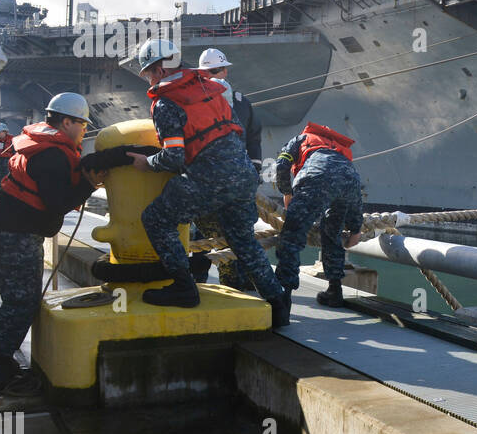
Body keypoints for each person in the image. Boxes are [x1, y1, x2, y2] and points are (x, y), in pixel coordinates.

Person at [129, 38, 290, 327]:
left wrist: (147, 163)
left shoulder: (165, 102)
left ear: (161, 70)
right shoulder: (211, 88)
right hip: (243, 174)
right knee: (243, 238)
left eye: (150, 73)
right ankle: (278, 304)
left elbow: (174, 157)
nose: (150, 79)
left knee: (156, 218)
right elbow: (238, 132)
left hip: (208, 176)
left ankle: (183, 287)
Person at [0, 94, 128, 394]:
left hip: (6, 231)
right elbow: (57, 204)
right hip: (13, 236)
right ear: (66, 121)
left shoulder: (40, 144)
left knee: (19, 301)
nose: (84, 130)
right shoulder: (54, 155)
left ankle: (0, 360)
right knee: (21, 303)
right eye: (82, 124)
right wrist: (88, 184)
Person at [187, 49, 259, 291]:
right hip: (216, 178)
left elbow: (254, 136)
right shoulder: (202, 101)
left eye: (217, 71)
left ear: (225, 71)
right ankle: (202, 279)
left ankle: (236, 281)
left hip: (228, 178)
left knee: (218, 230)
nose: (215, 75)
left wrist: (255, 169)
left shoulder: (239, 102)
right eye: (210, 72)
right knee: (206, 232)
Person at [273, 122, 364, 306]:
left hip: (316, 177)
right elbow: (355, 199)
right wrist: (355, 229)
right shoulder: (339, 150)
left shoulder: (301, 139)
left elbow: (282, 164)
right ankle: (335, 290)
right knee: (332, 234)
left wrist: (286, 192)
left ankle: (283, 297)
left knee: (292, 237)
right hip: (350, 181)